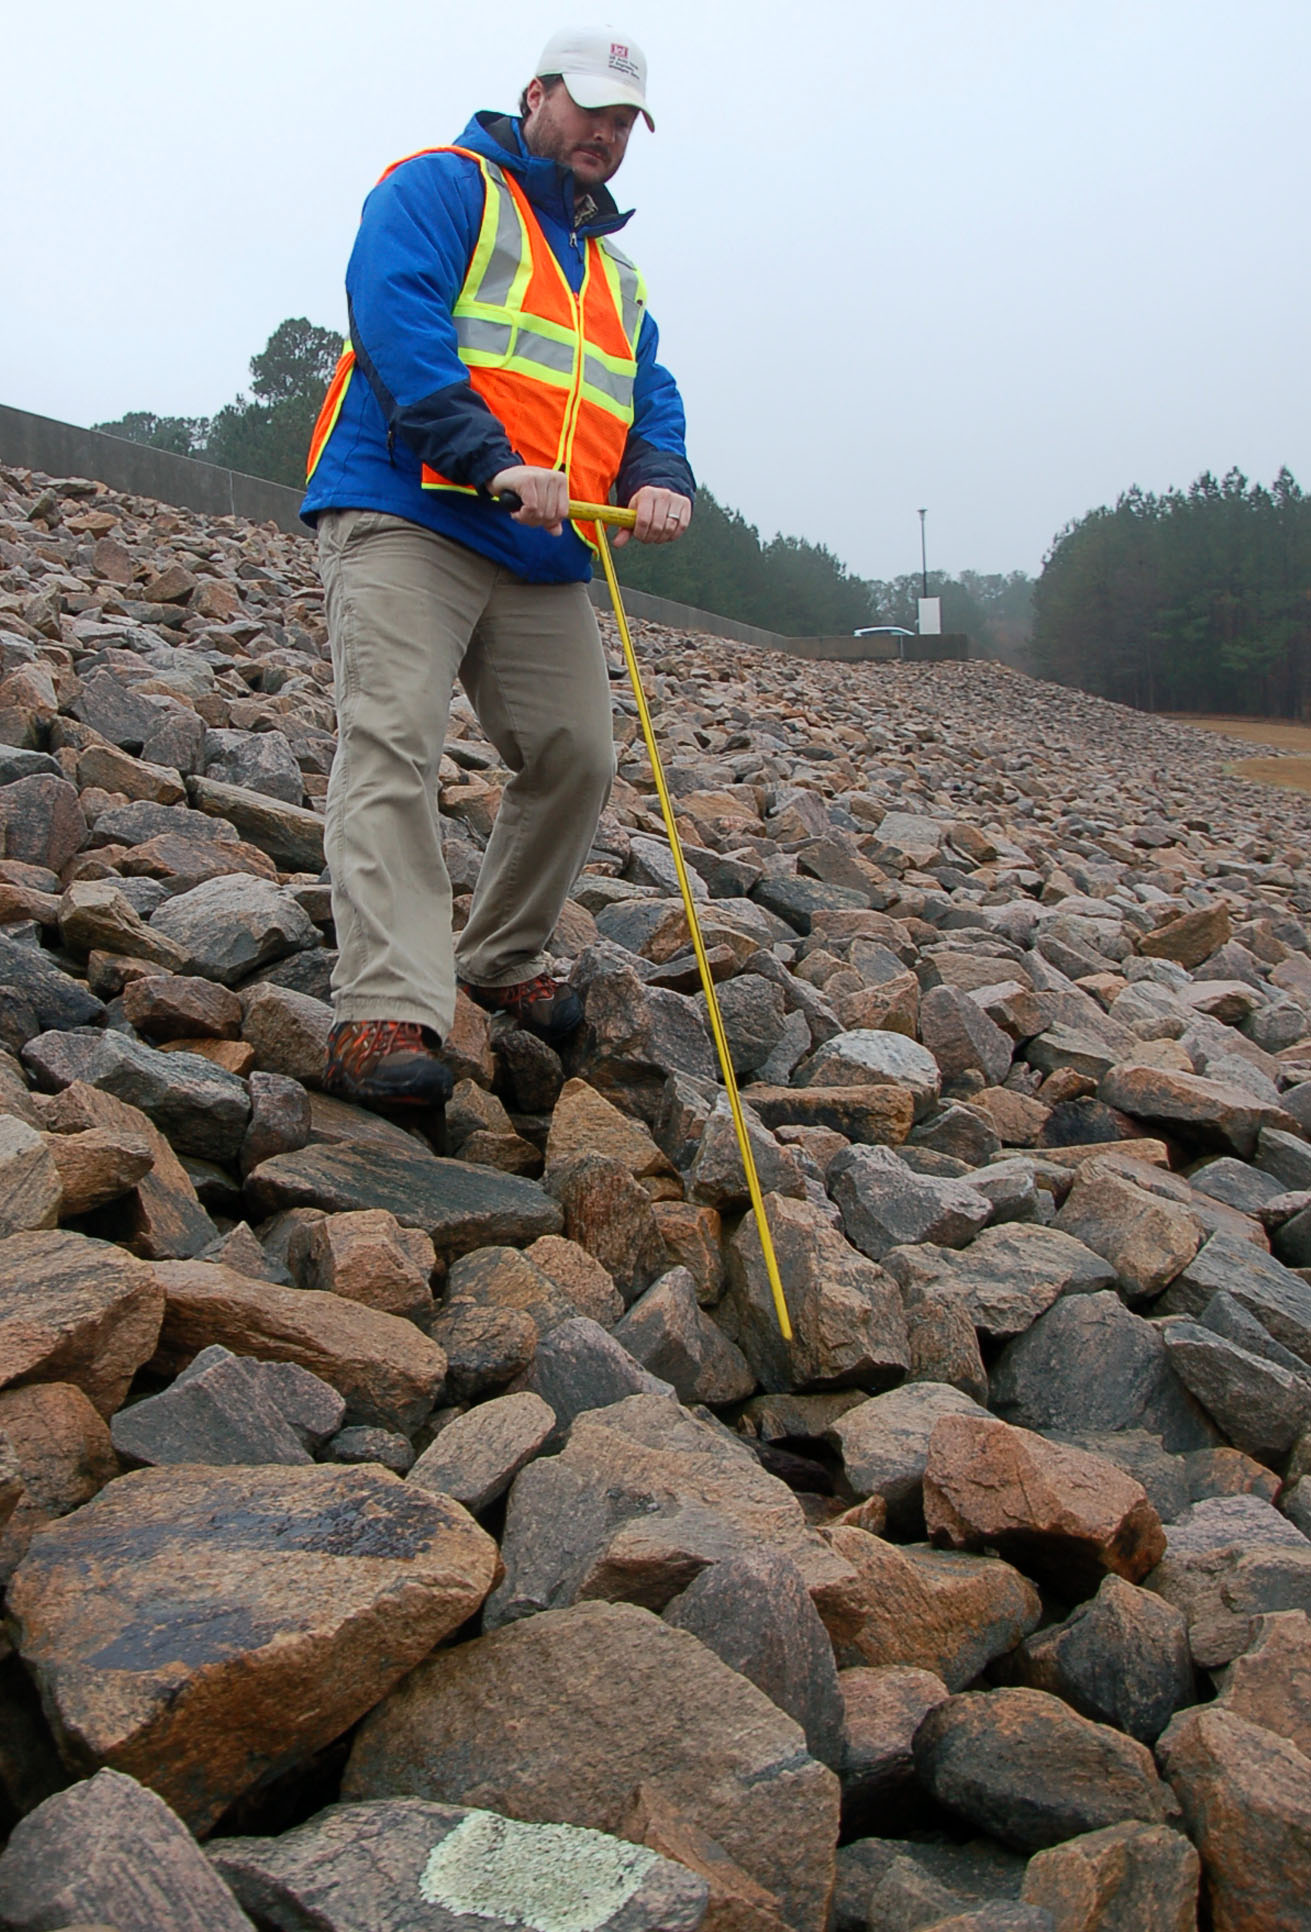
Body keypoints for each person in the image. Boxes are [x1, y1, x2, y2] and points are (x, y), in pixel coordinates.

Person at [301, 26, 694, 1108]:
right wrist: (489, 459)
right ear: (536, 97)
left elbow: (646, 399)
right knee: (393, 739)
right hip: (405, 509)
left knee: (576, 753)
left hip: (542, 551)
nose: (606, 134)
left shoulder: (615, 273)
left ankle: (496, 956)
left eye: (625, 122)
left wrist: (662, 474)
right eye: (591, 110)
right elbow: (397, 326)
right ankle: (386, 1004)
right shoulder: (440, 188)